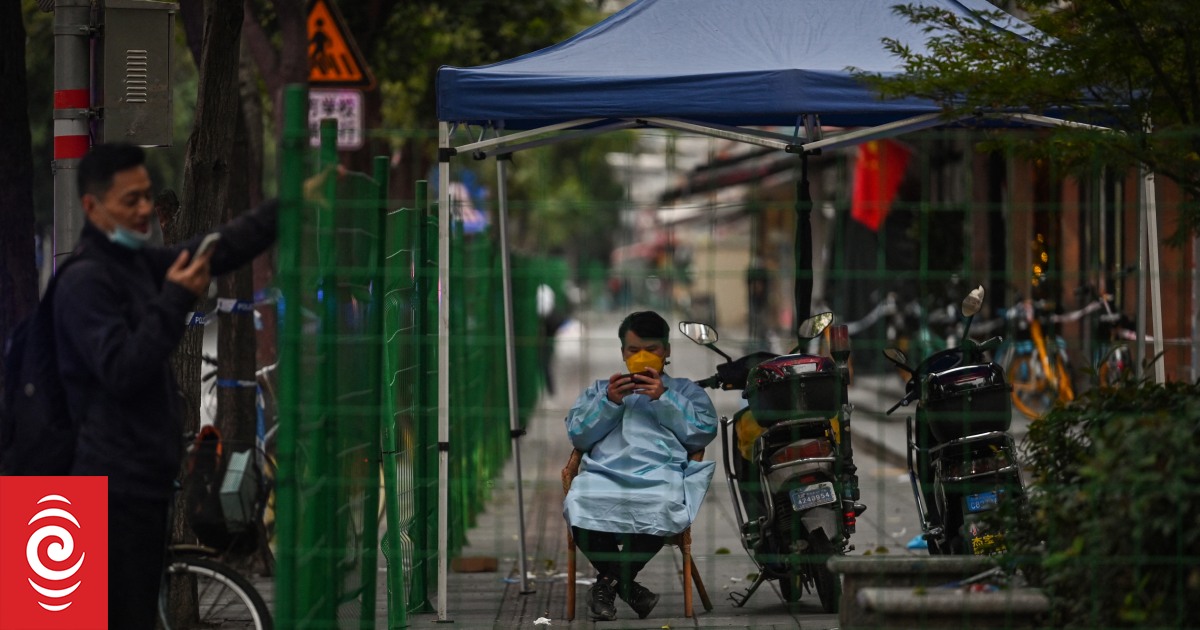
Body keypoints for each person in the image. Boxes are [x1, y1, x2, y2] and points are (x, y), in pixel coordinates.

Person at [53, 143, 279, 629]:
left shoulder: (132, 265)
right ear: (92, 207)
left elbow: (214, 248)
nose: (143, 211)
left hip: (142, 482)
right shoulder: (84, 284)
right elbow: (122, 369)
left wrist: (288, 207)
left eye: (146, 197)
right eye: (128, 200)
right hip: (108, 489)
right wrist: (175, 298)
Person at [563, 310, 717, 621]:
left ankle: (606, 585)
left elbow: (702, 432)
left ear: (667, 351)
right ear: (622, 353)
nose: (642, 356)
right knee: (579, 502)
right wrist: (608, 402)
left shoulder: (686, 391)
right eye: (634, 351)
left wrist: (665, 399)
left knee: (663, 505)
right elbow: (578, 435)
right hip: (604, 475)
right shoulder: (601, 389)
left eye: (652, 349)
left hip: (660, 478)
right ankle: (627, 588)